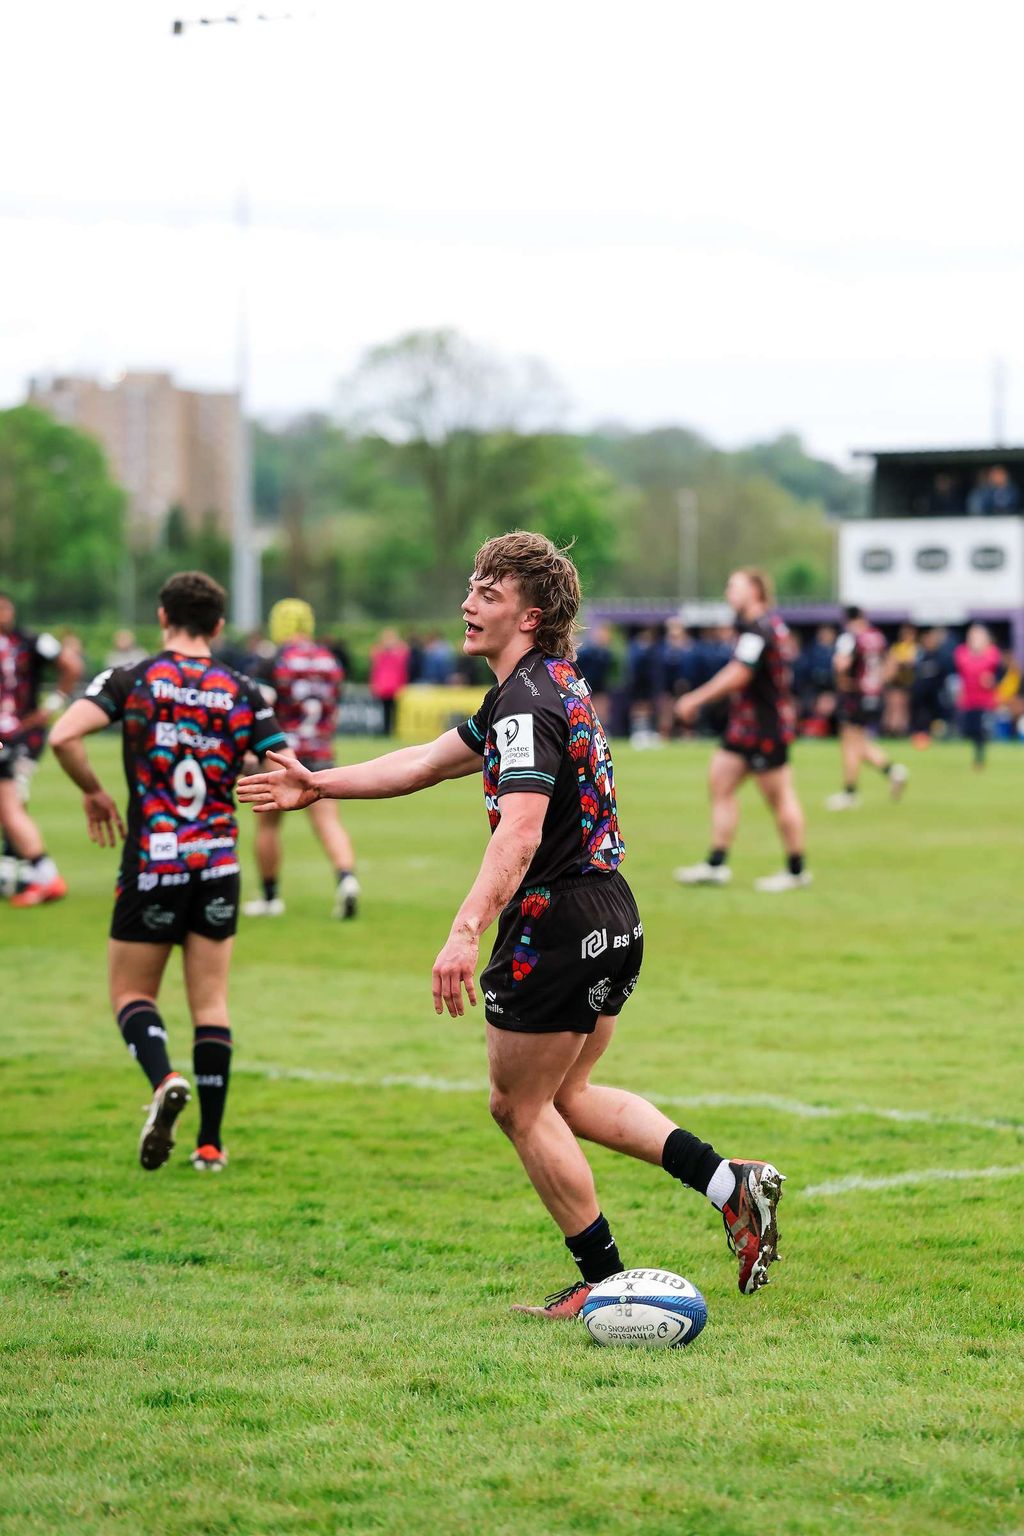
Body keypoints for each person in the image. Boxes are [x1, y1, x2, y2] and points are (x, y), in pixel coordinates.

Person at [238, 532, 786, 1314]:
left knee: (517, 1105)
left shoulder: (527, 699)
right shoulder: (547, 684)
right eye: (470, 587)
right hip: (613, 909)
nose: (466, 603)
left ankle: (602, 1279)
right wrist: (319, 784)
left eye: (486, 594)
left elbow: (520, 830)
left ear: (529, 616)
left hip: (556, 918)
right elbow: (427, 762)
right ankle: (731, 1185)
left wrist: (464, 930)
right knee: (568, 1093)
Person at [48, 571, 288, 1174]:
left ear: (162, 618)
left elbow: (64, 736)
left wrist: (96, 793)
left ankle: (165, 1079)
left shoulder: (134, 678)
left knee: (131, 993)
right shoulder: (242, 690)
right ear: (219, 626)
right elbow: (285, 765)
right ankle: (210, 1144)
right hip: (219, 863)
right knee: (210, 1001)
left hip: (154, 860)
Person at [673, 569, 810, 894]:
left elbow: (739, 674)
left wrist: (695, 698)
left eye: (733, 586)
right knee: (720, 782)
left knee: (779, 797)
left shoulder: (760, 629)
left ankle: (796, 870)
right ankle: (716, 864)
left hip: (765, 728)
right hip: (745, 727)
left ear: (755, 590)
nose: (728, 593)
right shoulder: (759, 627)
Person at [242, 598, 360, 919]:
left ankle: (270, 898)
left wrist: (251, 754)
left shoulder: (273, 661)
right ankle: (346, 880)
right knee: (328, 823)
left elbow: (260, 711)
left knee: (267, 825)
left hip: (280, 754)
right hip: (320, 751)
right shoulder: (330, 661)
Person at [0, 594, 82, 906]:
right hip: (9, 738)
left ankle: (25, 875)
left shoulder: (30, 640)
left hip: (19, 735)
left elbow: (71, 665)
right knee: (10, 806)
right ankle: (33, 875)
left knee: (13, 802)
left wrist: (50, 707)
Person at [826, 608, 908, 811]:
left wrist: (843, 682)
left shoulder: (850, 637)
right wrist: (879, 682)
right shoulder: (877, 637)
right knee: (859, 742)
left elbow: (840, 664)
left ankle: (850, 792)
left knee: (850, 744)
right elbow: (891, 662)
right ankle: (893, 772)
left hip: (854, 696)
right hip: (874, 696)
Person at [954, 624, 1003, 769]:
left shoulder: (992, 654)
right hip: (968, 699)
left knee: (981, 731)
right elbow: (958, 675)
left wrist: (991, 680)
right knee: (969, 730)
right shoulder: (961, 653)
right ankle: (975, 755)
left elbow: (999, 675)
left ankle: (979, 758)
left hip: (985, 700)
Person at [369, 628, 410, 735]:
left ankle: (390, 730)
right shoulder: (382, 654)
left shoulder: (395, 654)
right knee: (386, 710)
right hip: (385, 686)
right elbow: (376, 670)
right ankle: (387, 730)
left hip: (392, 686)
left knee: (392, 710)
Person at [575, 623, 616, 724]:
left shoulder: (607, 654)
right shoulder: (586, 652)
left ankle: (602, 729)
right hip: (586, 686)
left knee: (602, 709)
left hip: (600, 687)